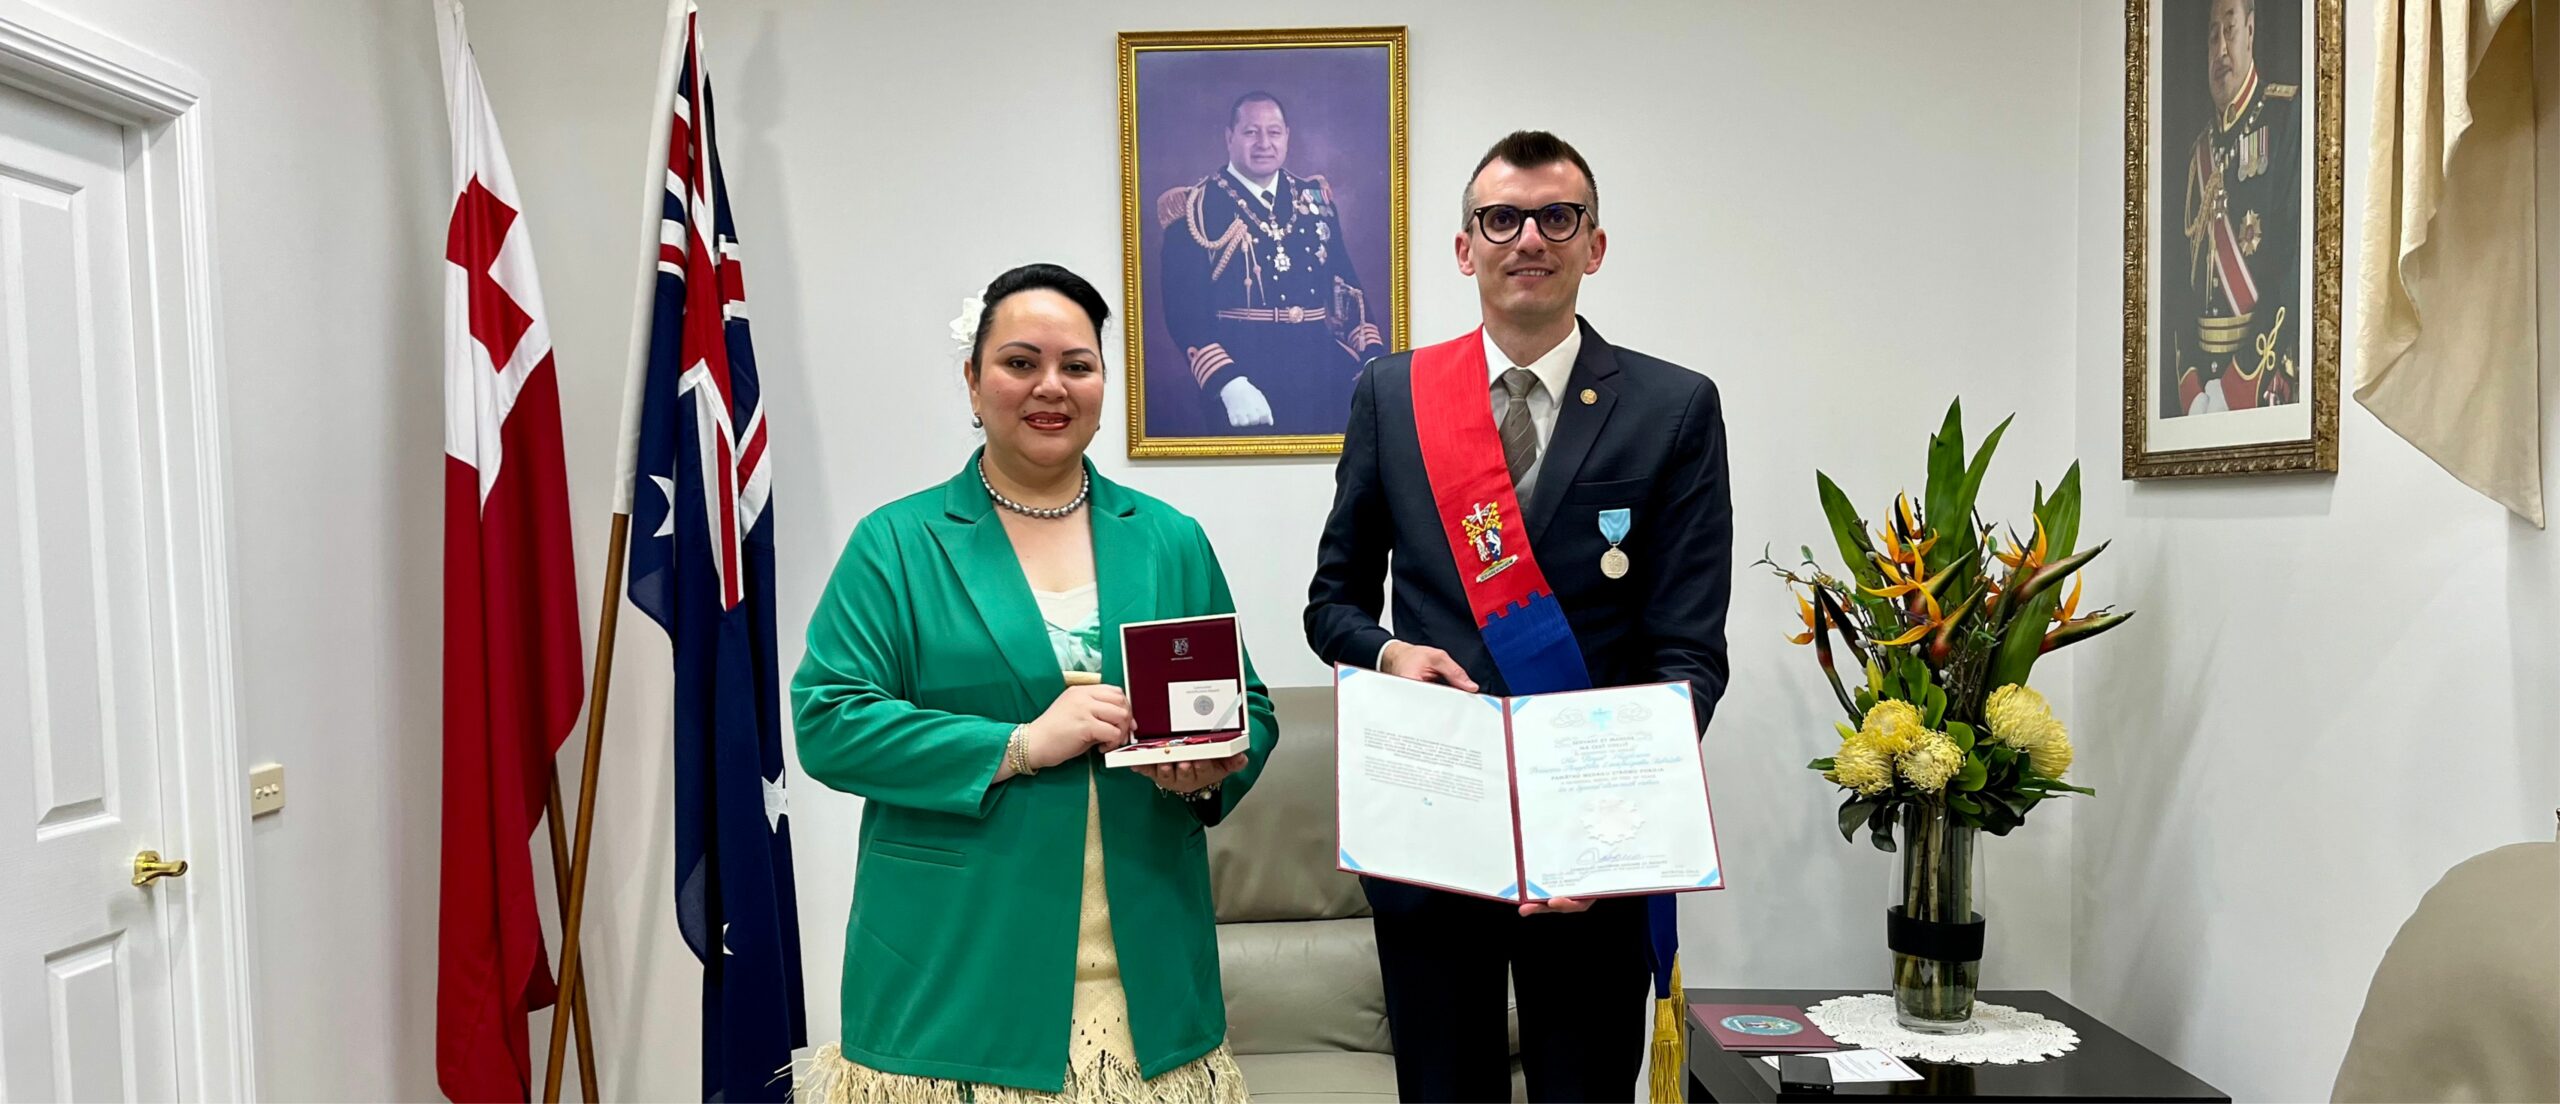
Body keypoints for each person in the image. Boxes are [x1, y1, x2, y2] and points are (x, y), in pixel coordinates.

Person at [1303, 131, 1733, 1102]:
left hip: (1590, 846)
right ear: (1466, 247)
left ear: (1595, 243)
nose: (1527, 238)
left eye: (1556, 216)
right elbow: (1329, 606)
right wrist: (1389, 652)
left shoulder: (1673, 407)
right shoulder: (1393, 394)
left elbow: (1688, 654)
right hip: (1431, 836)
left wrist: (1611, 826)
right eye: (1501, 218)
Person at [792, 263, 1275, 1102]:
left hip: (1146, 967)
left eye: (1077, 366)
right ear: (973, 383)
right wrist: (1017, 744)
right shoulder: (896, 543)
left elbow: (1250, 707)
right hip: (958, 968)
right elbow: (829, 719)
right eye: (1020, 362)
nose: (1051, 386)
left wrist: (1210, 771)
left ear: (1101, 385)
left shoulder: (1169, 539)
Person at [1156, 91, 1391, 435]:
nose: (1264, 143)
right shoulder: (1197, 207)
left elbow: (1345, 285)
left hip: (1322, 372)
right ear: (1229, 137)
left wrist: (1372, 357)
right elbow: (1183, 310)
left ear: (1287, 137)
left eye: (1274, 132)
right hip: (1244, 374)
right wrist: (1226, 381)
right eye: (1251, 132)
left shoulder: (1315, 199)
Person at [2165, 0, 2300, 416]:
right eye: (2211, 36)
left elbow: (2294, 266)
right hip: (2200, 394)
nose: (2221, 49)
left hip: (2257, 379)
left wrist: (2236, 384)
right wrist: (2192, 391)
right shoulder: (2198, 153)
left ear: (2252, 30)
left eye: (2230, 30)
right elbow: (2179, 288)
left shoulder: (2284, 118)